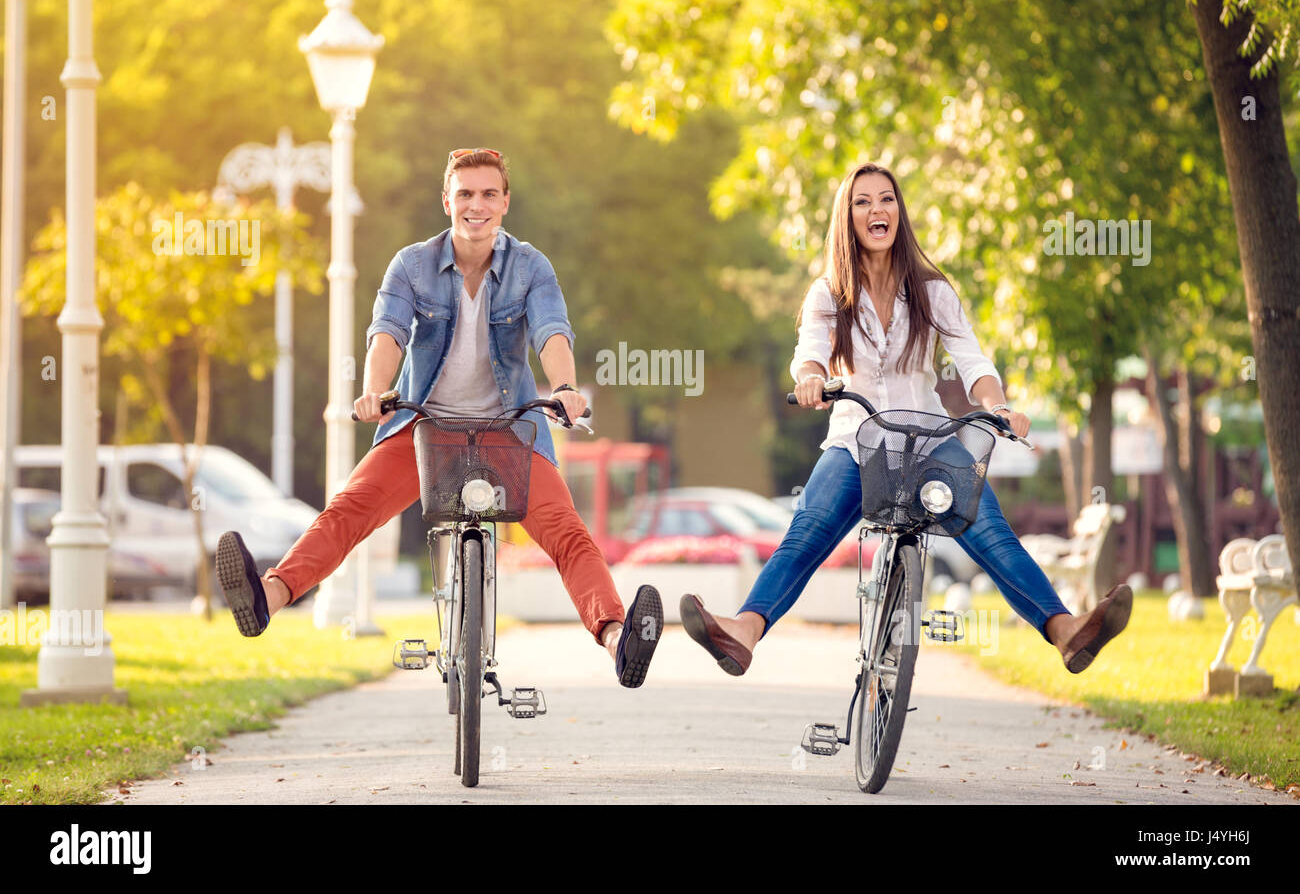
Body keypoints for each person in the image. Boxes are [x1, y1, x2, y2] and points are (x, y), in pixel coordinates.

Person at [215, 148, 663, 688]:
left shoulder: (530, 266)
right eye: (466, 194)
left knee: (568, 534)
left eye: (489, 194)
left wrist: (564, 388)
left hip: (509, 432)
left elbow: (551, 331)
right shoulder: (412, 264)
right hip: (423, 429)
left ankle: (619, 641)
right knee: (349, 510)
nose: (477, 205)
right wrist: (374, 391)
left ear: (505, 203)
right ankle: (267, 597)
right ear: (447, 200)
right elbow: (388, 331)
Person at [680, 161, 1131, 676]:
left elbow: (974, 363)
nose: (878, 209)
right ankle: (742, 633)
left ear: (900, 211)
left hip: (930, 439)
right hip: (857, 439)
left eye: (887, 199)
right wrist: (810, 379)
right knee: (807, 530)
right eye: (863, 201)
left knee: (989, 531)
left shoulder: (933, 290)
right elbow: (810, 353)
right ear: (847, 218)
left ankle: (1065, 630)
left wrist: (997, 406)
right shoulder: (828, 294)